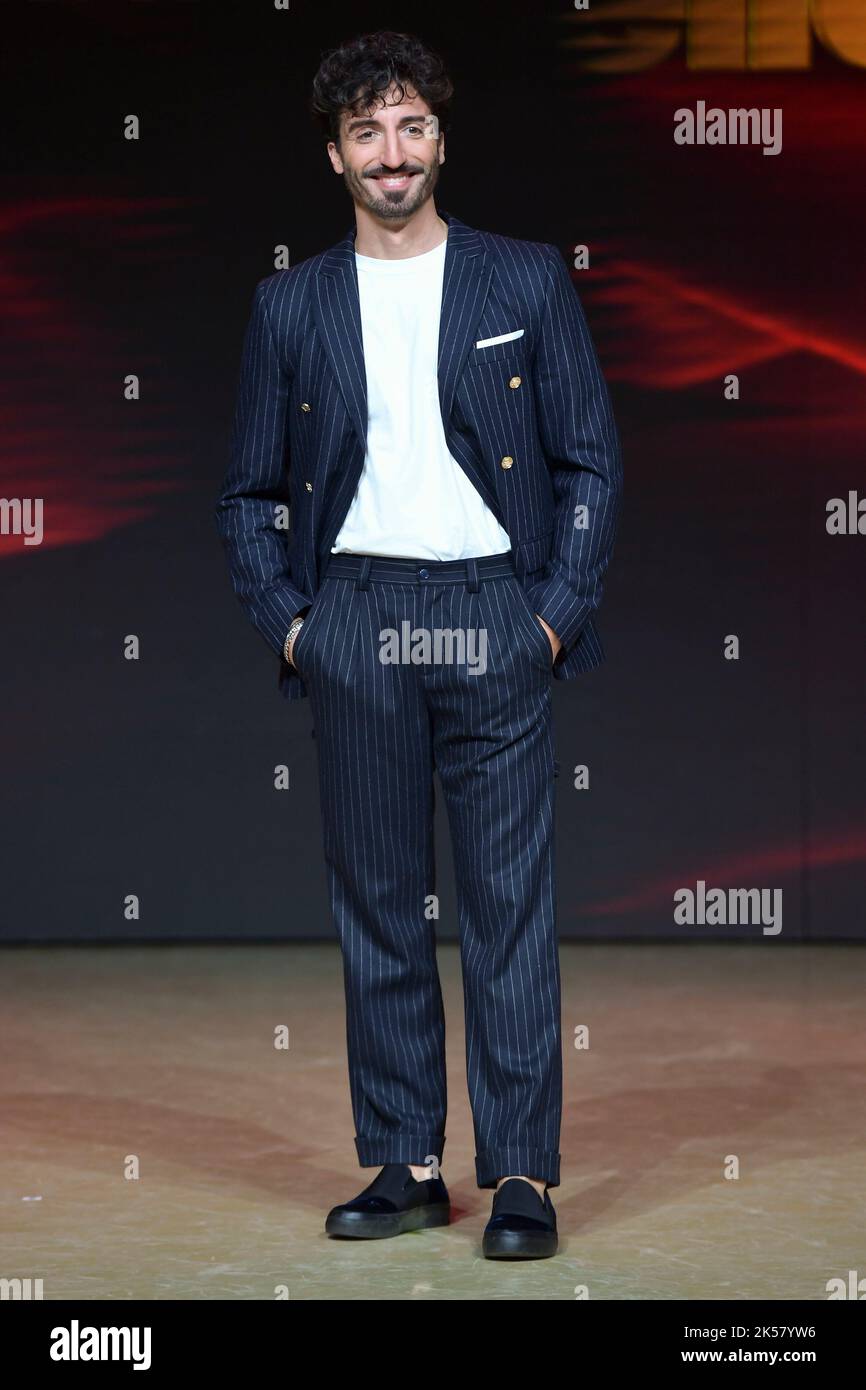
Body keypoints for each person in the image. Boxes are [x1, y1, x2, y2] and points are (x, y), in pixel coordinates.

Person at [215, 29, 622, 1260]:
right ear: (334, 155)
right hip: (356, 617)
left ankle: (522, 1176)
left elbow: (590, 460)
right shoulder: (288, 305)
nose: (389, 153)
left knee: (508, 903)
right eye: (364, 133)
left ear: (439, 139)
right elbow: (245, 494)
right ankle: (403, 1157)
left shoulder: (523, 280)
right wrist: (295, 627)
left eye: (408, 128)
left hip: (496, 610)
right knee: (378, 903)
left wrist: (550, 614)